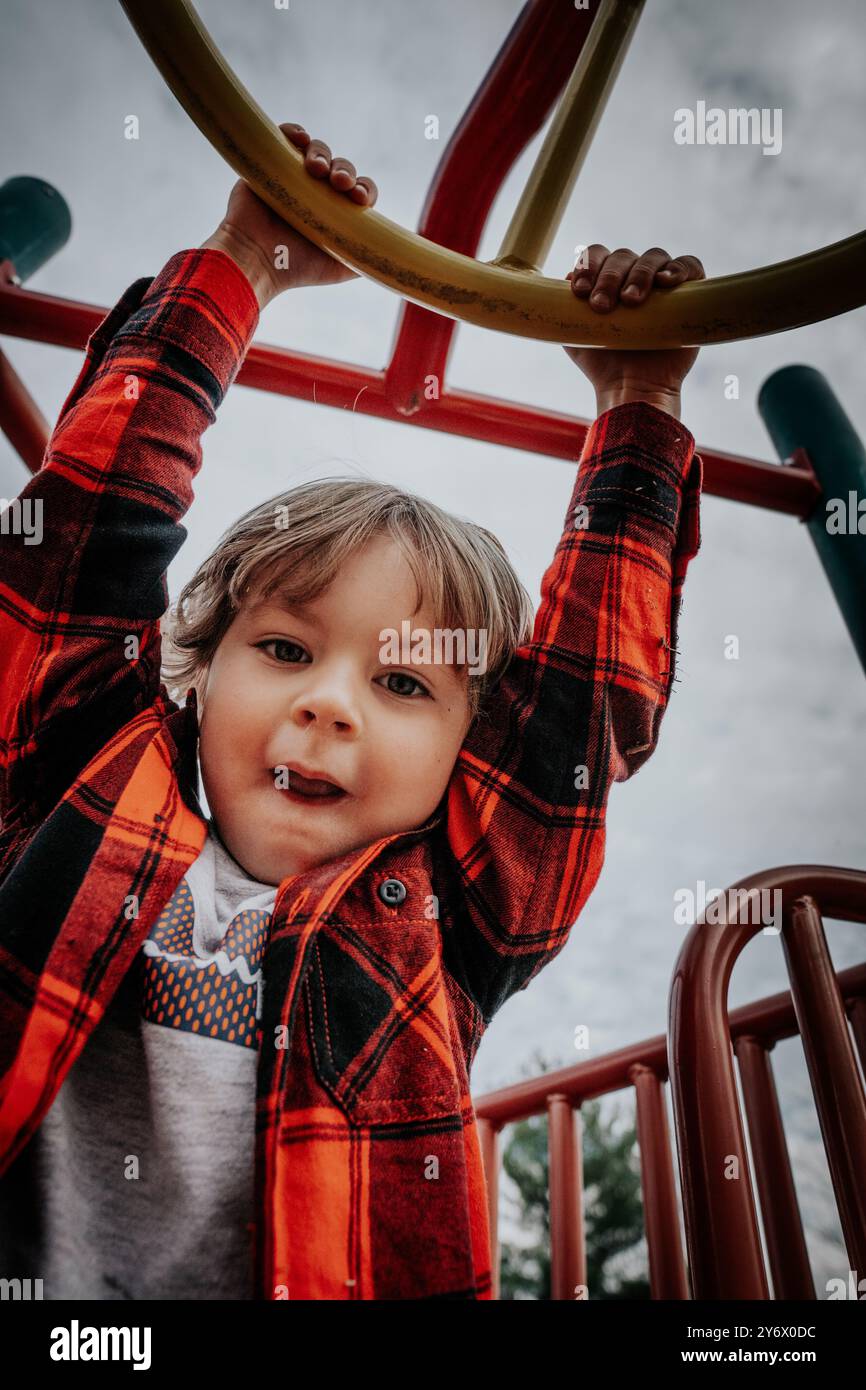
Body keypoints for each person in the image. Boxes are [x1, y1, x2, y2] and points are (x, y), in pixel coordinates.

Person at [0, 123, 704, 1299]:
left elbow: (579, 702)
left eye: (403, 682)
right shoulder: (87, 775)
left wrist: (638, 400)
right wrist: (243, 259)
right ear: (200, 665)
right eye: (283, 648)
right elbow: (81, 543)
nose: (328, 704)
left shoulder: (450, 915)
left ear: (469, 749)